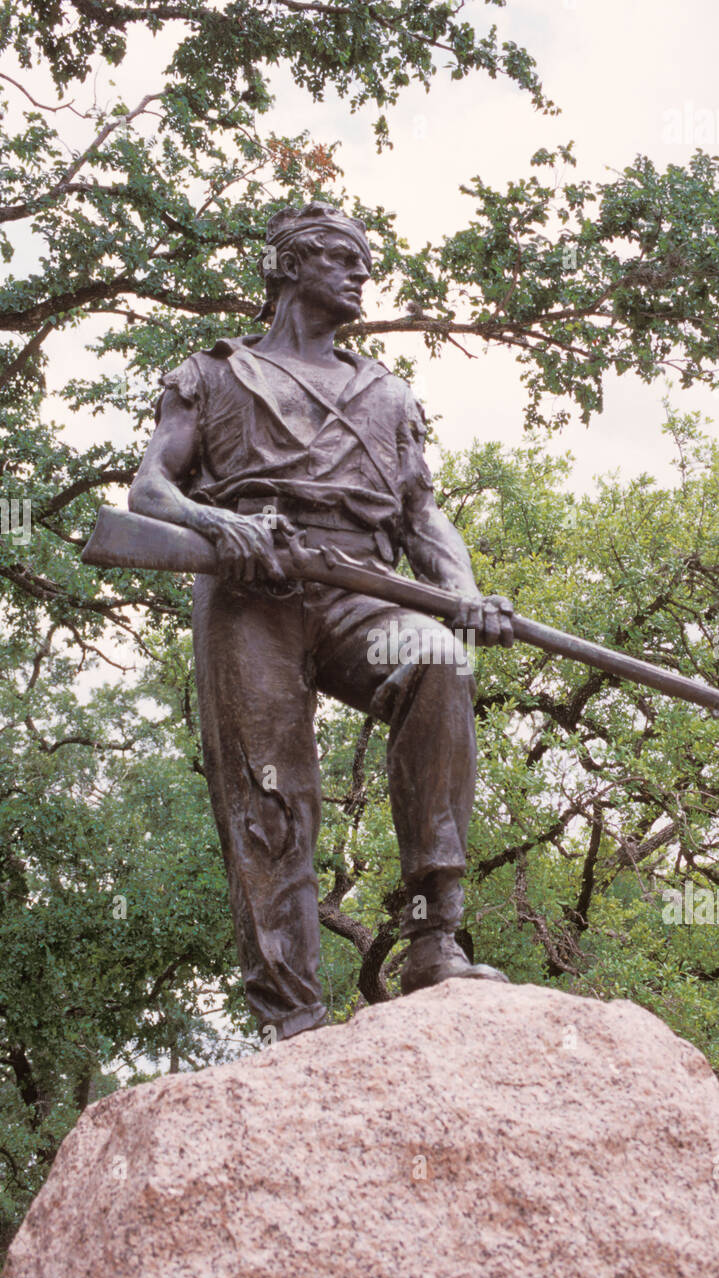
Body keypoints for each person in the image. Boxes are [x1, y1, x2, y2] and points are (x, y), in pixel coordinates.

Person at [128, 202, 514, 1040]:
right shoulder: (214, 373)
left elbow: (420, 515)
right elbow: (149, 488)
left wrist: (465, 589)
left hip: (361, 585)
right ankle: (288, 1012)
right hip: (250, 594)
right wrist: (218, 526)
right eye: (341, 257)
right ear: (288, 266)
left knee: (438, 662)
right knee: (269, 793)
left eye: (363, 261)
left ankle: (431, 939)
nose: (360, 275)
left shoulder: (387, 393)